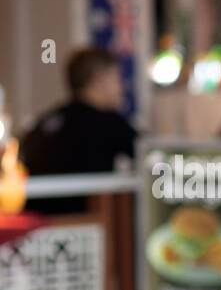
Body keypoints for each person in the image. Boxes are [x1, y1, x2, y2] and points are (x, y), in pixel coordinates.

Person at [18, 47, 137, 213]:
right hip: (82, 226)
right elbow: (149, 156)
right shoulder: (107, 122)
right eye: (117, 79)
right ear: (98, 80)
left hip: (36, 227)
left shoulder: (47, 120)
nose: (121, 88)